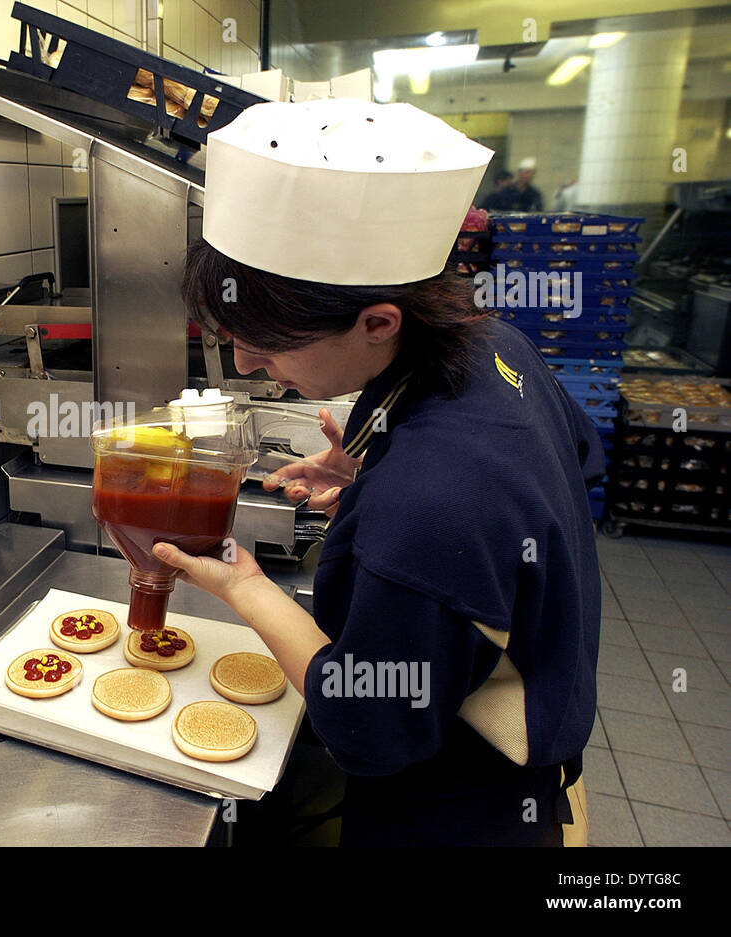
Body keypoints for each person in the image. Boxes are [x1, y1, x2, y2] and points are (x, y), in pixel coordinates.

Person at [156, 98, 602, 846]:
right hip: (552, 768)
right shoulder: (496, 343)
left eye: (268, 341)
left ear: (379, 322)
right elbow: (572, 456)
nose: (245, 362)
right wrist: (377, 484)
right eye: (232, 335)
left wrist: (247, 584)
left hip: (466, 811)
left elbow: (363, 722)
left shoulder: (431, 499)